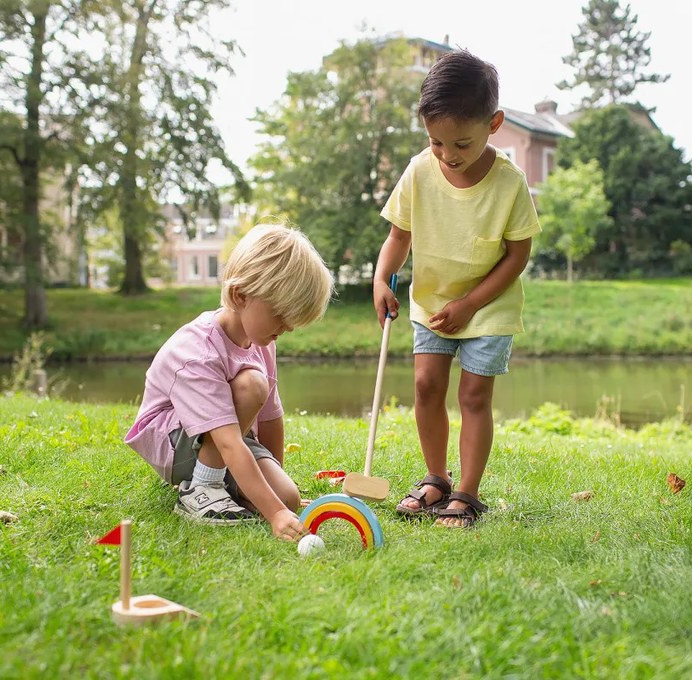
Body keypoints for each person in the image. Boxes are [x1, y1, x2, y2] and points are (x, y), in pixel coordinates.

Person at [374, 50, 541, 529]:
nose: (447, 154)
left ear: (495, 124)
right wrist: (381, 278)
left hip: (486, 306)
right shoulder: (420, 170)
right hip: (432, 303)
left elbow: (517, 256)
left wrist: (470, 303)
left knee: (472, 397)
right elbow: (398, 236)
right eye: (436, 142)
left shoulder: (510, 183)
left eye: (460, 143)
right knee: (427, 386)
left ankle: (466, 493)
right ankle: (435, 480)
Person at [125, 223, 334, 541]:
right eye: (281, 314)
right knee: (252, 385)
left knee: (288, 497)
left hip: (226, 435)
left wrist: (277, 494)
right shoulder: (198, 352)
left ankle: (224, 483)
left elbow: (270, 417)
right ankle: (201, 489)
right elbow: (226, 442)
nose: (288, 326)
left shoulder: (262, 339)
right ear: (240, 295)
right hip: (175, 441)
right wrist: (274, 513)